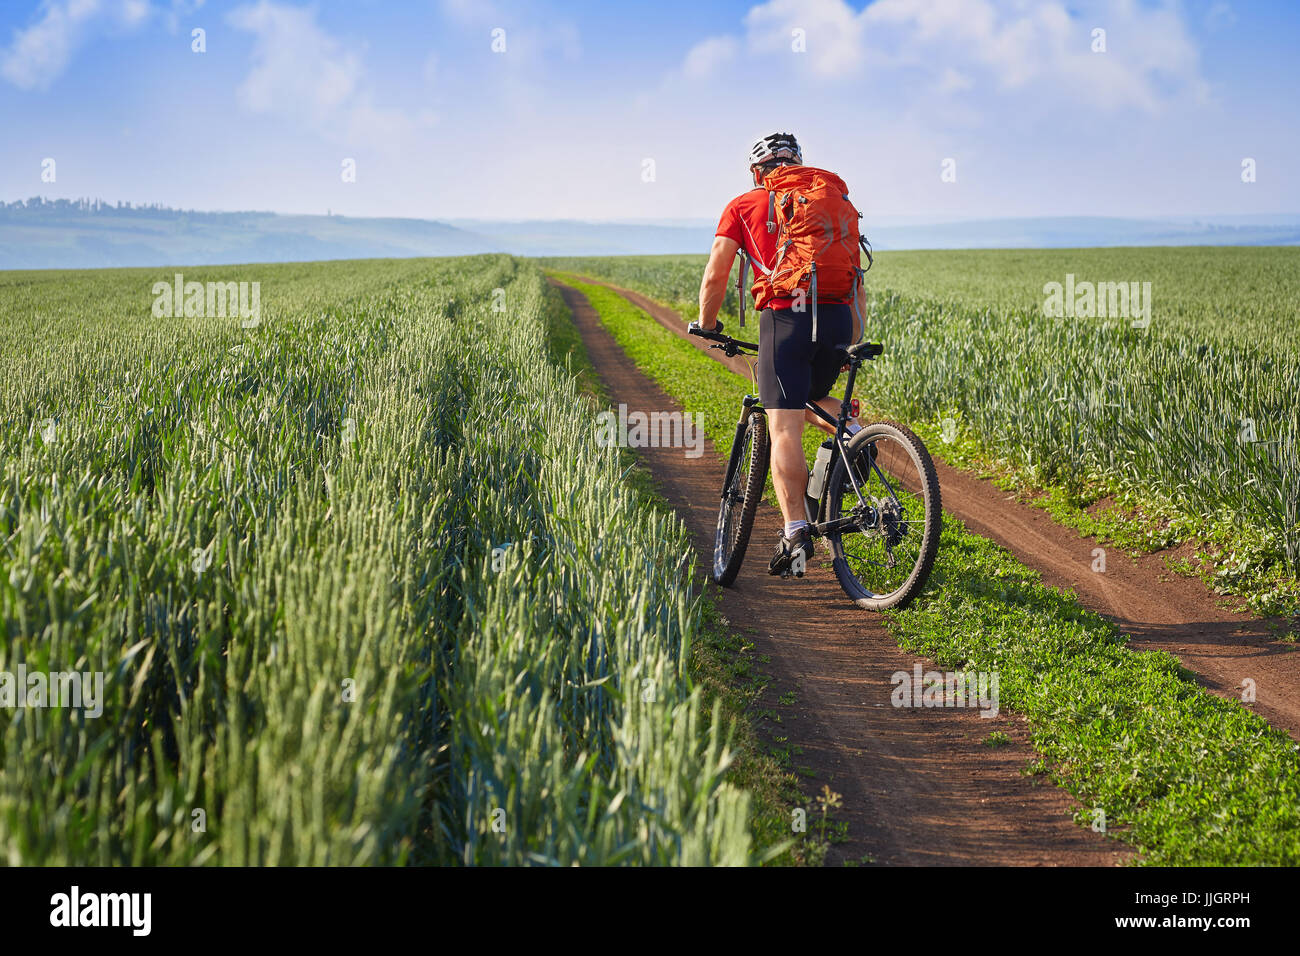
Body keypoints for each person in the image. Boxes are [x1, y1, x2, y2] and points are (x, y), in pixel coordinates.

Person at [693, 132, 864, 576]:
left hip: (786, 318)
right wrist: (850, 338)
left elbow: (716, 274)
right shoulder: (826, 199)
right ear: (798, 165)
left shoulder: (744, 205)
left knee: (782, 422)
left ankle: (794, 534)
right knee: (811, 400)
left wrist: (708, 324)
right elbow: (856, 281)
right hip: (837, 318)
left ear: (756, 172)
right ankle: (854, 433)